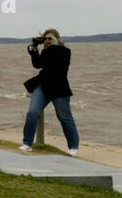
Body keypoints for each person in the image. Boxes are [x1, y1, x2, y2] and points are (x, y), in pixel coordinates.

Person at [19, 27, 80, 156]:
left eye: (50, 38)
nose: (48, 41)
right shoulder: (46, 51)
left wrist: (52, 46)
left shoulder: (65, 51)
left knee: (65, 117)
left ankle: (73, 146)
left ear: (57, 39)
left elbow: (60, 64)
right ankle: (27, 143)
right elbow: (37, 64)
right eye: (45, 38)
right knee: (32, 113)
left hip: (60, 88)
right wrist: (35, 48)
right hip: (43, 86)